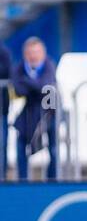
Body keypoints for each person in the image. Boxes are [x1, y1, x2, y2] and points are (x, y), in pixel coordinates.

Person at [11, 37, 59, 181]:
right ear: (25, 54)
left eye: (37, 52)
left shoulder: (49, 65)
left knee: (53, 148)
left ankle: (52, 179)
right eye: (30, 52)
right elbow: (19, 90)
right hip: (28, 113)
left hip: (48, 113)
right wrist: (35, 85)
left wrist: (27, 82)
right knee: (21, 146)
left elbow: (45, 85)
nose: (34, 56)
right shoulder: (19, 68)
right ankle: (23, 180)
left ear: (43, 53)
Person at [0, 42, 9, 180]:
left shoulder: (3, 52)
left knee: (1, 145)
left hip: (1, 110)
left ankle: (2, 176)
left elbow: (7, 72)